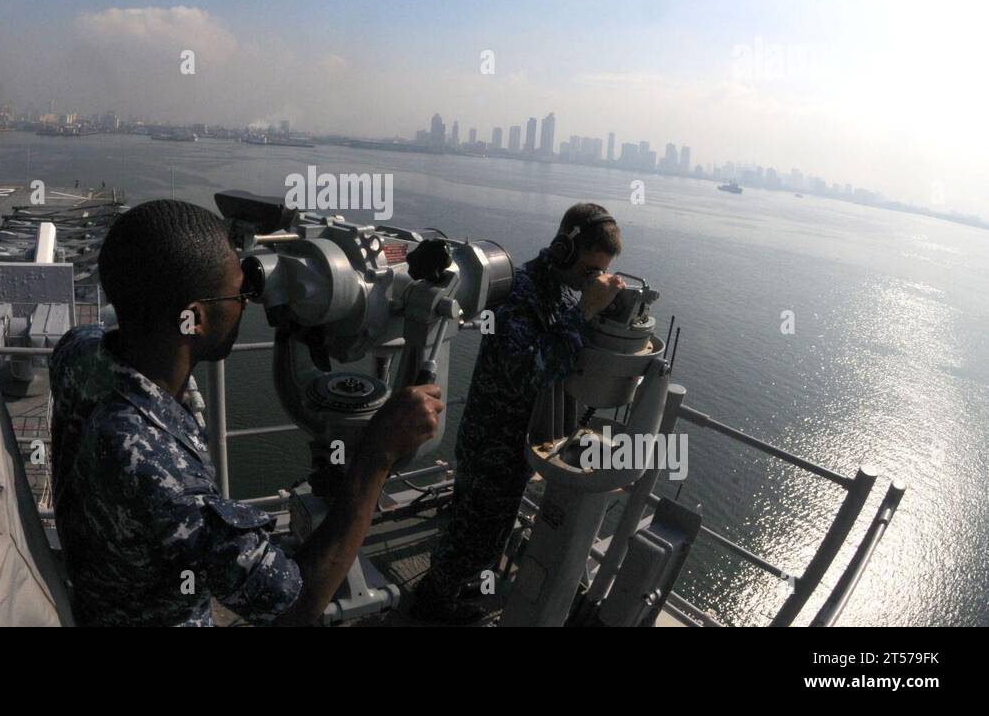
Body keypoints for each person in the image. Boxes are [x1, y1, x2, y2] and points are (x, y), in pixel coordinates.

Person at [50, 198, 442, 626]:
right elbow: (294, 605)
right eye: (240, 293)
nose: (248, 302)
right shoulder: (159, 472)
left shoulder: (79, 350)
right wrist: (377, 457)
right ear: (193, 319)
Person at [411, 202, 625, 623]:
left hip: (515, 441)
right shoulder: (520, 292)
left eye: (597, 274)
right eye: (587, 271)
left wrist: (591, 308)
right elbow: (528, 371)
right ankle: (432, 602)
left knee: (489, 530)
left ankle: (453, 586)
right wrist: (585, 312)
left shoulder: (561, 288)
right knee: (472, 531)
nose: (590, 282)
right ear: (563, 249)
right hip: (493, 439)